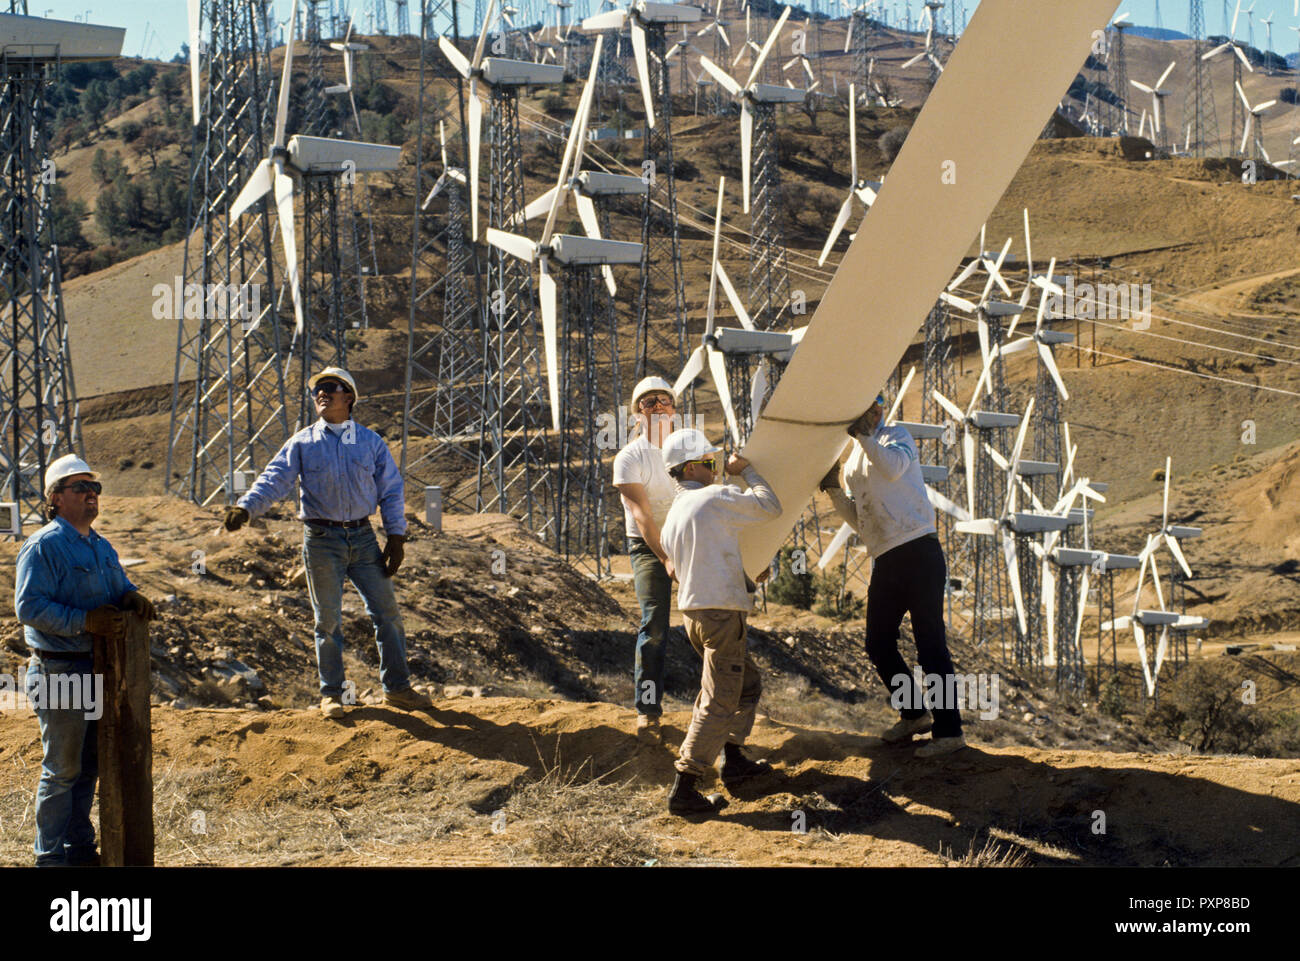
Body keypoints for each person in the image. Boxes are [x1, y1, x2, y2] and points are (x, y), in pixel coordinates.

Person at [223, 367, 430, 719]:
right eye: (317, 389)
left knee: (388, 615)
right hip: (321, 540)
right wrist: (246, 508)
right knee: (328, 621)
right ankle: (332, 694)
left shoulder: (370, 442)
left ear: (348, 397)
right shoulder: (303, 442)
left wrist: (396, 535)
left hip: (363, 538)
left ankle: (397, 689)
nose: (321, 393)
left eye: (330, 387)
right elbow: (275, 479)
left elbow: (391, 491)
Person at [14, 454, 158, 866]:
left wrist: (130, 595)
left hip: (93, 671)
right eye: (80, 488)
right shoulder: (44, 546)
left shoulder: (98, 545)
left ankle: (79, 848)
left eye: (95, 489)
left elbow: (118, 583)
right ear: (55, 498)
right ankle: (50, 858)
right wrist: (84, 621)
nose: (91, 495)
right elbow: (28, 607)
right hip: (58, 669)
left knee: (88, 765)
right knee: (61, 769)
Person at [820, 392, 965, 758]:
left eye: (876, 406)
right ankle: (914, 713)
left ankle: (950, 733)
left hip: (918, 550)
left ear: (881, 409)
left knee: (930, 644)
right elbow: (864, 521)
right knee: (877, 642)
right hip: (885, 557)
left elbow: (893, 469)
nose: (873, 412)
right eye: (866, 407)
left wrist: (865, 437)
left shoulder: (896, 437)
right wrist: (836, 491)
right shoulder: (857, 455)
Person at [658, 428, 781, 816]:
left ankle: (735, 760)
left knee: (746, 684)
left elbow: (690, 568)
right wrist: (747, 473)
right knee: (719, 699)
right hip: (721, 615)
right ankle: (684, 789)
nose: (715, 469)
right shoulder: (713, 497)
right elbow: (769, 506)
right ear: (692, 466)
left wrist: (744, 578)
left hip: (696, 614)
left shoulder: (673, 517)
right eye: (710, 462)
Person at [611, 376, 680, 744]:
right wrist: (666, 559)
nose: (656, 407)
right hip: (648, 544)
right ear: (638, 413)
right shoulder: (628, 458)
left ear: (674, 407)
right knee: (654, 624)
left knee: (714, 620)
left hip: (689, 538)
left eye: (662, 400)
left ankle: (721, 705)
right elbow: (643, 516)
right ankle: (648, 710)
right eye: (647, 402)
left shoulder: (692, 449)